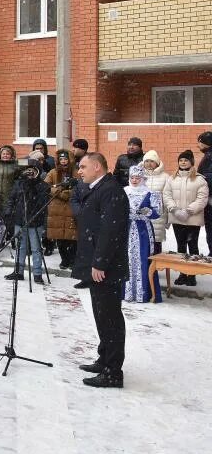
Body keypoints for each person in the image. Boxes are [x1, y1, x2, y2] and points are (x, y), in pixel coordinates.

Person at [71, 152, 129, 388]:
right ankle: (104, 358)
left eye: (83, 167)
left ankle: (113, 372)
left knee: (111, 319)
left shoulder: (111, 191)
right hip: (98, 265)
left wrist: (100, 263)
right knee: (101, 316)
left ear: (97, 167)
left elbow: (110, 231)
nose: (79, 171)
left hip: (107, 268)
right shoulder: (98, 188)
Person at [162, 150, 209, 286]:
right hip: (177, 218)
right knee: (181, 246)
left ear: (191, 162)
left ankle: (192, 275)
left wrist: (188, 211)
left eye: (186, 160)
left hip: (192, 219)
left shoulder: (199, 179)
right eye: (181, 160)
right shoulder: (172, 178)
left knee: (193, 246)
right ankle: (182, 273)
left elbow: (202, 199)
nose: (183, 162)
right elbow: (167, 195)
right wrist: (174, 210)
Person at [3, 158, 50, 284]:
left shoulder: (43, 186)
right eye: (27, 170)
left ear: (37, 172)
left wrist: (32, 185)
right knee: (20, 246)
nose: (29, 173)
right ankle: (18, 271)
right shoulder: (19, 183)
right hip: (20, 220)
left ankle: (37, 274)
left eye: (32, 171)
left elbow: (43, 203)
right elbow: (11, 199)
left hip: (35, 221)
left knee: (36, 248)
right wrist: (8, 211)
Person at [123, 166, 161, 303]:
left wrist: (148, 212)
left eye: (137, 178)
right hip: (126, 229)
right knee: (126, 257)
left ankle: (143, 293)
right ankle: (125, 292)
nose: (134, 180)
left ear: (143, 179)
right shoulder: (124, 191)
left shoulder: (150, 193)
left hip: (143, 230)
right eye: (132, 177)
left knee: (143, 258)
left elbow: (157, 213)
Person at [45, 150, 78, 269]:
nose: (63, 162)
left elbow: (82, 187)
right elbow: (46, 186)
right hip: (56, 208)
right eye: (61, 159)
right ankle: (64, 259)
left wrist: (69, 193)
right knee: (59, 236)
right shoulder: (53, 172)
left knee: (72, 235)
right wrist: (59, 192)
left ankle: (73, 259)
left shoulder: (76, 172)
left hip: (71, 207)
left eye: (65, 159)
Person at [141, 150, 172, 254]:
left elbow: (167, 197)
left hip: (158, 217)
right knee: (143, 244)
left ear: (157, 163)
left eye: (152, 161)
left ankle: (156, 268)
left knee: (156, 244)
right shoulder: (138, 176)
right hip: (141, 216)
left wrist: (168, 218)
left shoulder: (165, 177)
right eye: (147, 161)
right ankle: (145, 268)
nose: (149, 164)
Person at [197, 131, 212, 255]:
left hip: (210, 200)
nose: (198, 145)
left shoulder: (209, 157)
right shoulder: (208, 155)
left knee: (211, 229)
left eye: (200, 142)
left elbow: (207, 178)